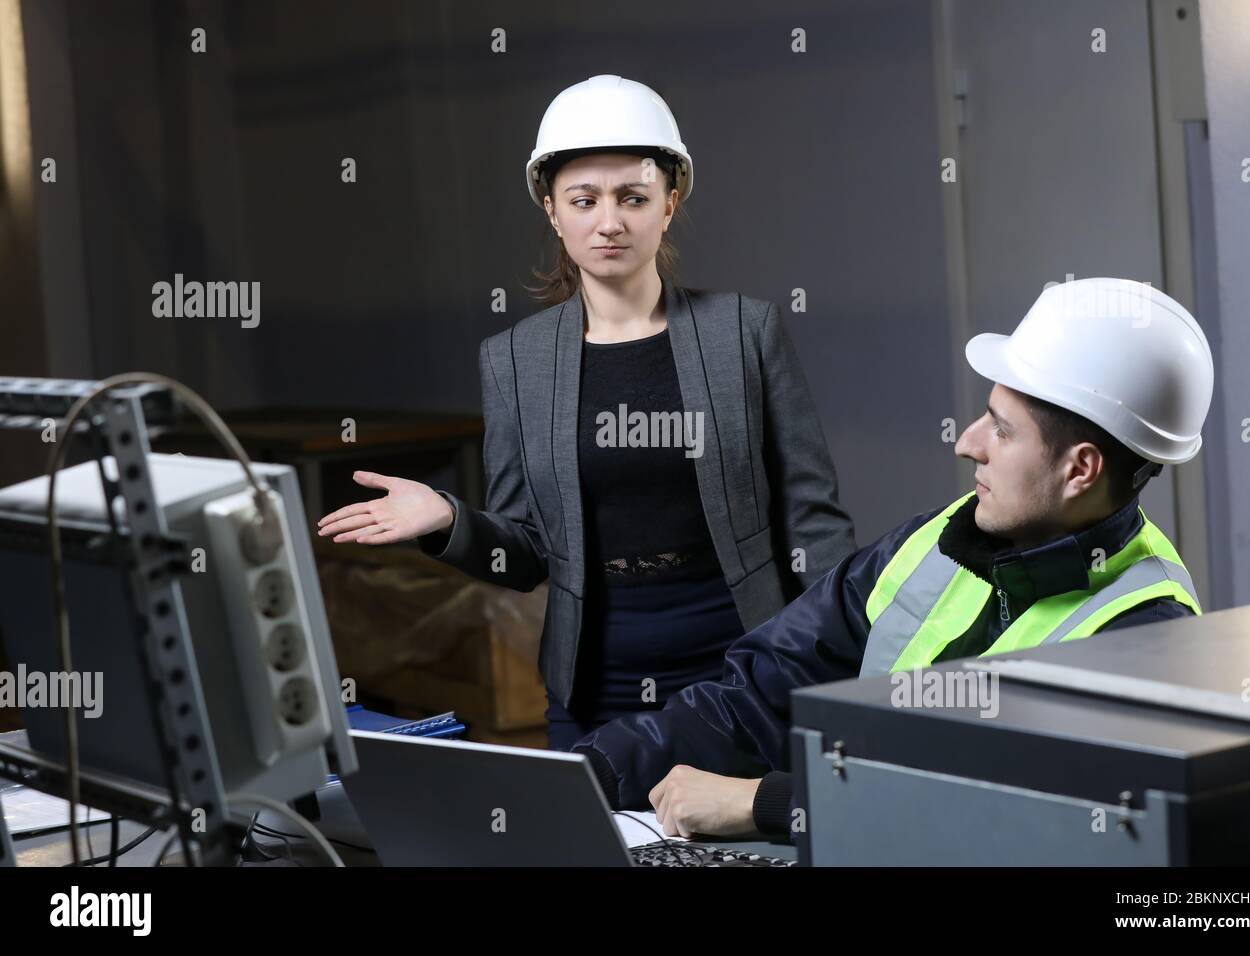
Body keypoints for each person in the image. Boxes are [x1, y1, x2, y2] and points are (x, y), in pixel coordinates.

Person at [317, 75, 855, 749]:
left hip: (746, 668)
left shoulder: (745, 332)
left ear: (669, 201)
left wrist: (839, 664)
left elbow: (813, 516)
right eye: (584, 199)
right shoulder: (515, 360)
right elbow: (526, 560)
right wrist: (448, 521)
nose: (610, 221)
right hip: (599, 685)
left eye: (633, 196)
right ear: (551, 209)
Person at [571, 276, 1215, 840]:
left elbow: (1003, 817)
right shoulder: (930, 544)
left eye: (1001, 428)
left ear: (1081, 470)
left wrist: (767, 804)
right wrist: (588, 774)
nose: (967, 444)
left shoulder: (1144, 634)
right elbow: (757, 695)